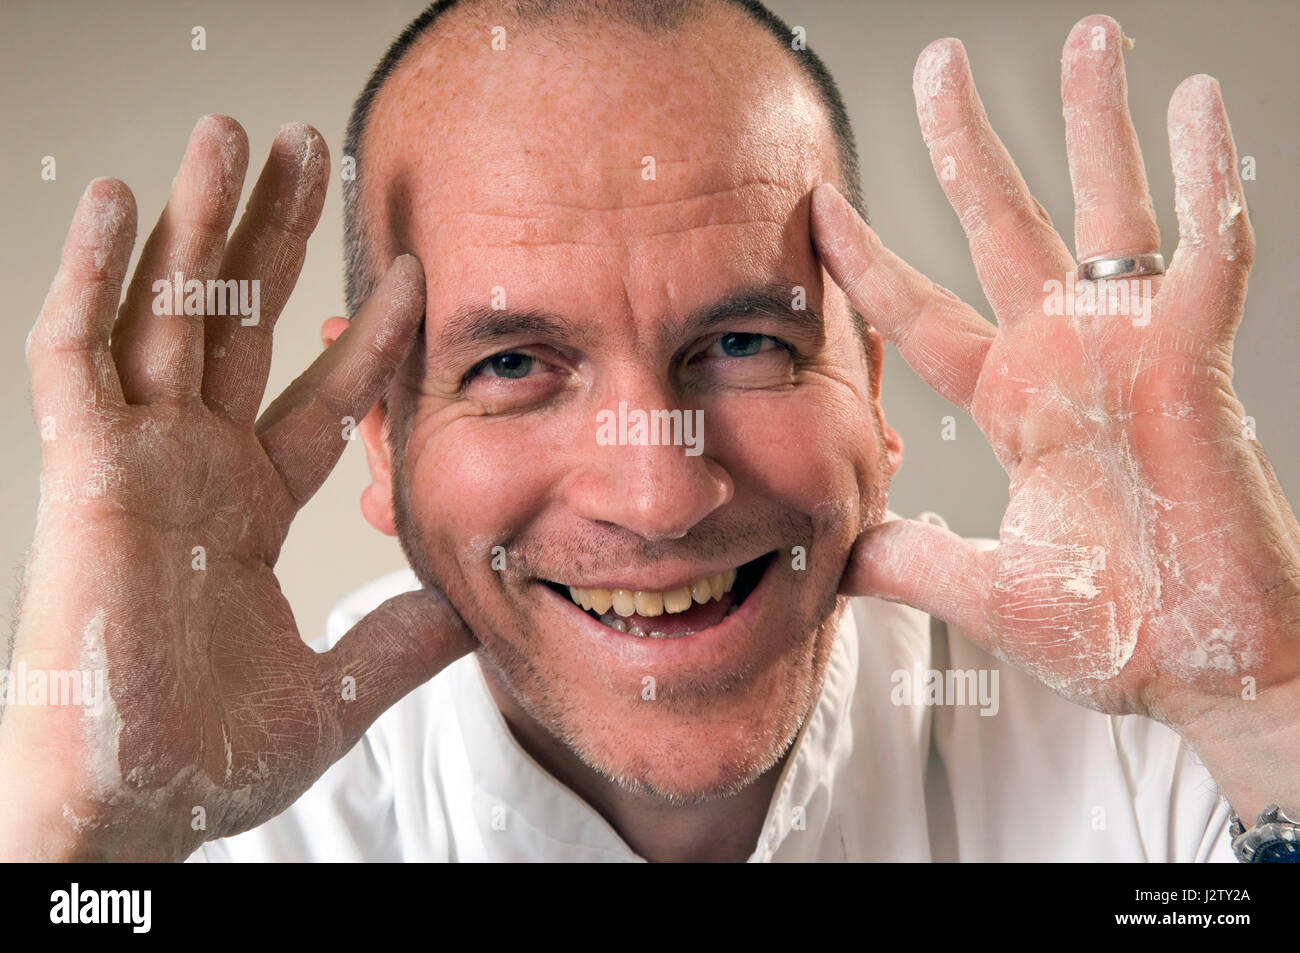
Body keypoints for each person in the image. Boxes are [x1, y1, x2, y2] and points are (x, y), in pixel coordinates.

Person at [4, 0, 1298, 863]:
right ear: (381, 435)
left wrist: (1270, 706)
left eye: (744, 343)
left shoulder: (1158, 755)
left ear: (874, 388)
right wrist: (81, 852)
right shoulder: (228, 830)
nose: (661, 493)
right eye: (515, 362)